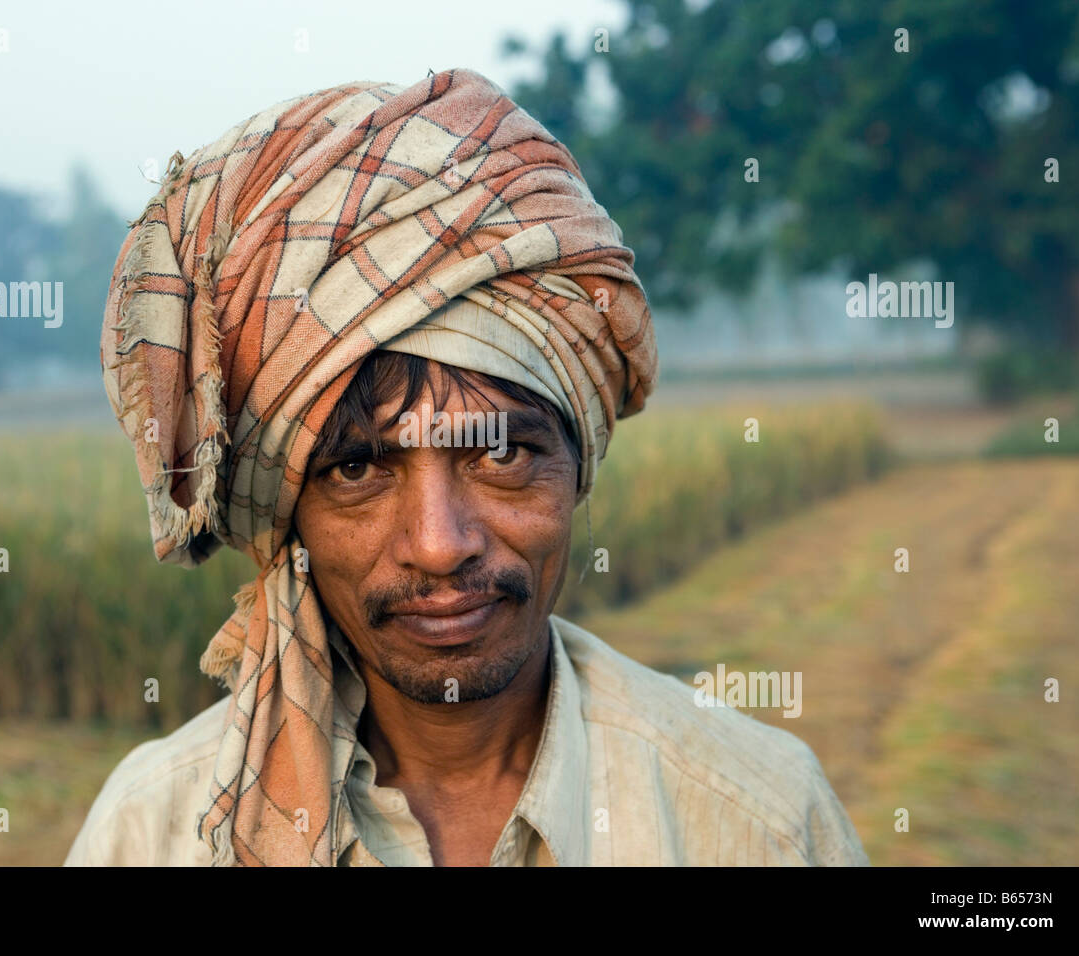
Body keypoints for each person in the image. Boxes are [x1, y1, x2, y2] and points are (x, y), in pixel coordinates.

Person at [65, 67, 868, 867]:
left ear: (575, 468)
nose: (441, 545)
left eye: (501, 454)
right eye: (357, 472)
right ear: (286, 512)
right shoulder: (151, 830)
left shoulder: (758, 818)